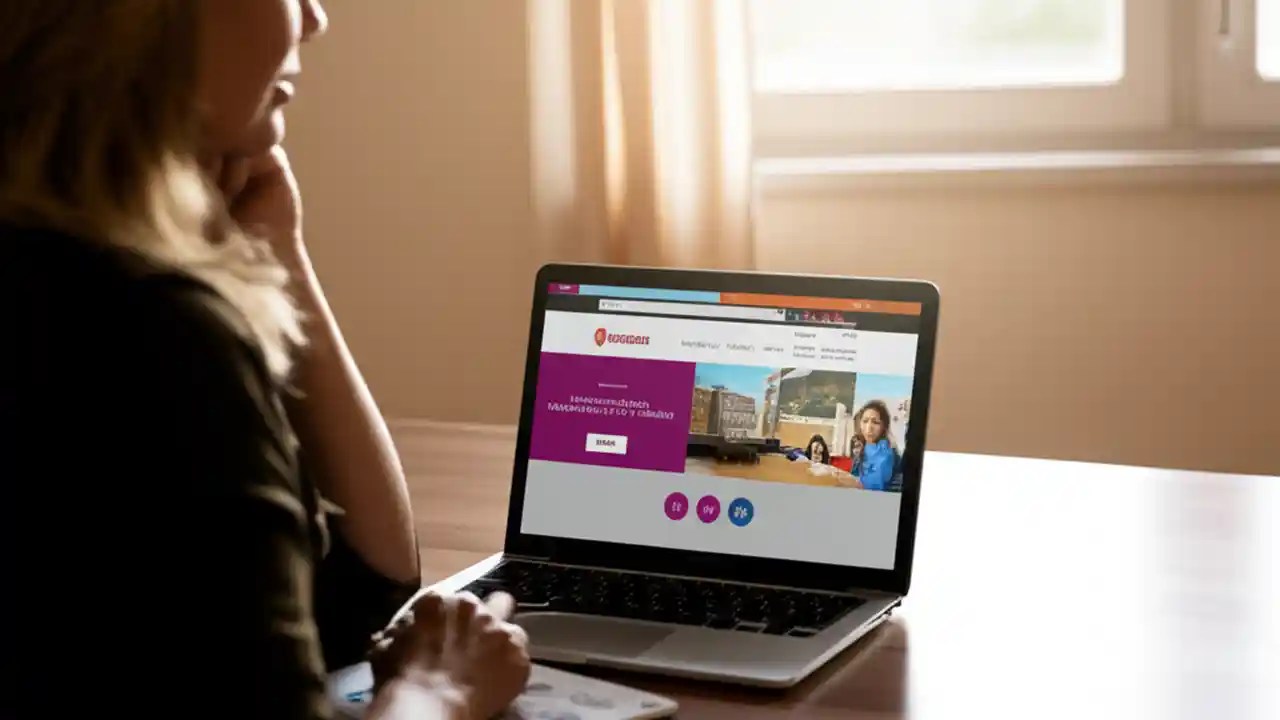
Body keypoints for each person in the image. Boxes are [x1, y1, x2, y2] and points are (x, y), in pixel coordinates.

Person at [0, 1, 529, 718]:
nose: (314, 17)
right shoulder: (148, 332)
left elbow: (361, 598)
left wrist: (278, 250)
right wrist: (440, 689)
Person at [850, 401, 898, 491]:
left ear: (884, 426)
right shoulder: (860, 450)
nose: (869, 427)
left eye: (875, 422)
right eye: (865, 421)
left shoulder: (889, 454)